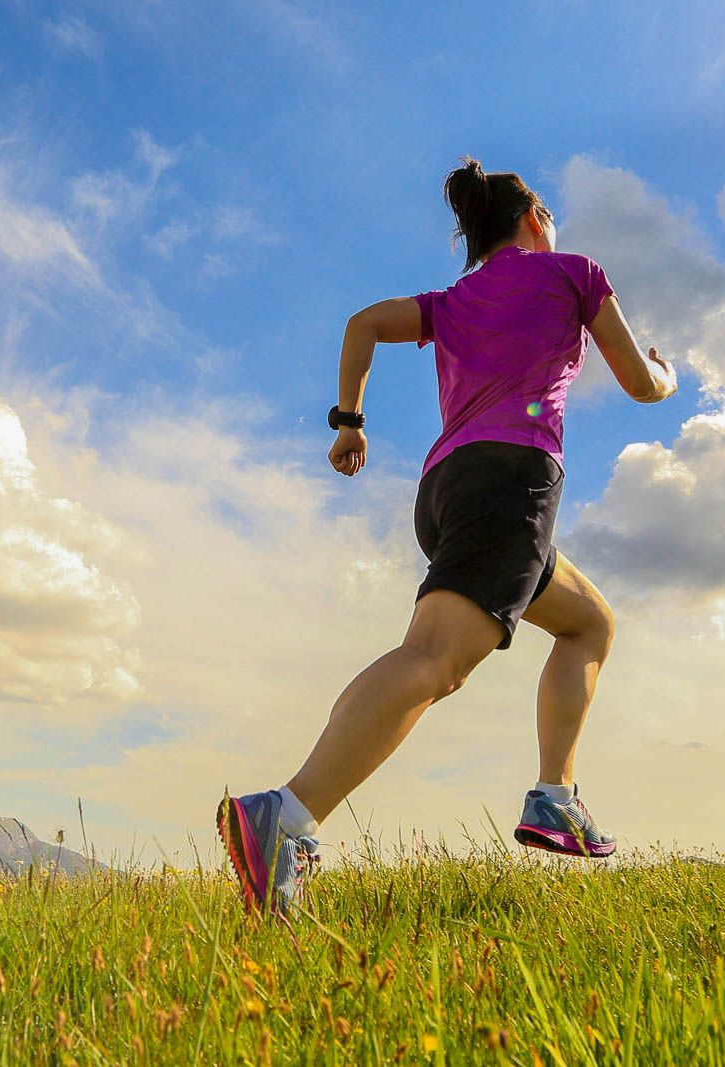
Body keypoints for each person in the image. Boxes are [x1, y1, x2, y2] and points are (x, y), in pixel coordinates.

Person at [217, 156, 677, 916]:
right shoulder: (572, 272)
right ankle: (285, 816)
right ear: (534, 220)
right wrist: (665, 373)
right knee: (434, 659)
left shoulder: (452, 299)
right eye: (551, 217)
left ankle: (554, 796)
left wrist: (349, 424)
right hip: (511, 483)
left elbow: (362, 323)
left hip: (449, 489)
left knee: (588, 622)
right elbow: (637, 381)